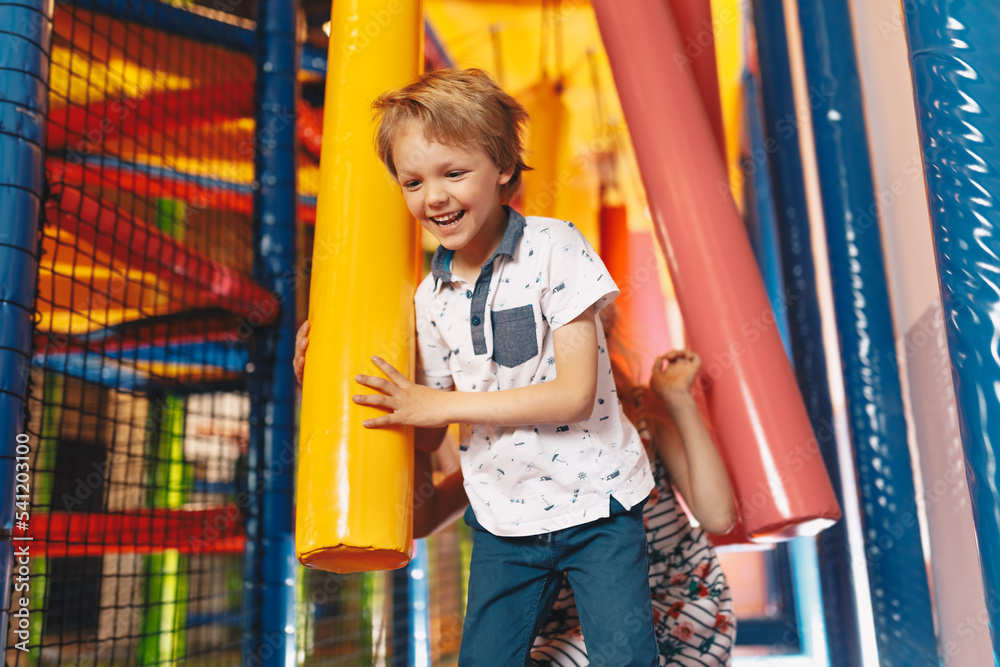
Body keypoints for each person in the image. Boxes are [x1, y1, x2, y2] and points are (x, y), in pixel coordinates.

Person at [296, 67, 660, 665]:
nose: (433, 197)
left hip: (599, 504)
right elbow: (427, 430)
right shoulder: (430, 297)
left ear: (504, 168)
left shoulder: (554, 247)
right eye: (413, 181)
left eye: (454, 173)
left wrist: (438, 404)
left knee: (626, 660)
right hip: (502, 520)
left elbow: (573, 394)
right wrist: (329, 379)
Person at [400, 303, 738, 666]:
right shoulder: (508, 446)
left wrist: (676, 398)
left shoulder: (636, 412)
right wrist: (415, 422)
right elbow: (424, 516)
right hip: (567, 627)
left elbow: (718, 516)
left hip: (671, 605)